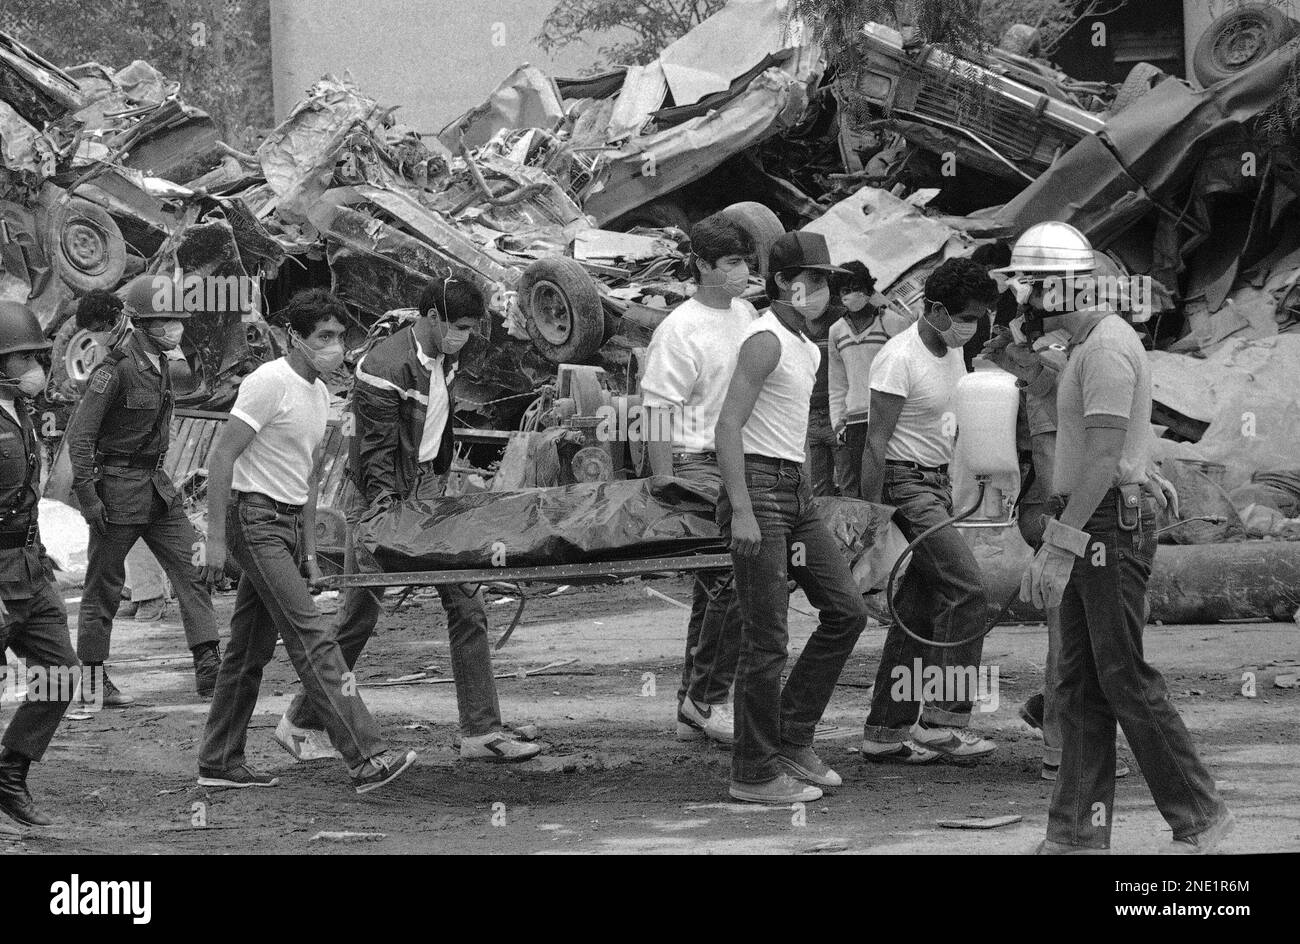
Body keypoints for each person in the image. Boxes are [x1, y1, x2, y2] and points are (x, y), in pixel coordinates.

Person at [1000, 222, 1233, 854]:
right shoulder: (1088, 347)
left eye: (1031, 287)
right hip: (1096, 517)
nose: (1024, 300)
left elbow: (1101, 459)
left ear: (1064, 286)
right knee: (1077, 683)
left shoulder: (1102, 350)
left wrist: (1059, 543)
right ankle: (1077, 835)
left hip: (1104, 524)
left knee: (1122, 674)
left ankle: (1200, 814)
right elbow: (1114, 439)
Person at [274, 278, 540, 764]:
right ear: (433, 317)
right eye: (459, 327)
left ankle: (480, 731)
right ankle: (300, 720)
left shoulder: (447, 355)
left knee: (467, 602)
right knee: (358, 616)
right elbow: (374, 455)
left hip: (429, 491)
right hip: (384, 497)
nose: (464, 337)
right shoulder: (382, 368)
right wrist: (384, 519)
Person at [197, 289, 415, 792]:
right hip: (253, 522)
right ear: (295, 337)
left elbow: (311, 475)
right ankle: (366, 757)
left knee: (248, 651)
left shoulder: (318, 394)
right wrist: (213, 539)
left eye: (340, 336)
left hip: (289, 526)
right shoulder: (267, 382)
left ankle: (218, 761)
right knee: (312, 635)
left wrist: (311, 553)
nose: (335, 346)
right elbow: (221, 459)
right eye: (324, 336)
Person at [714, 231, 868, 804]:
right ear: (781, 281)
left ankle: (792, 736)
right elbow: (728, 427)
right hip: (757, 487)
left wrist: (806, 493)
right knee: (767, 638)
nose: (822, 291)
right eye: (812, 279)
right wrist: (743, 511)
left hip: (793, 489)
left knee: (847, 611)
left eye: (826, 280)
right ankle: (752, 772)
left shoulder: (808, 345)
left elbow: (791, 430)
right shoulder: (766, 339)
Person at [859, 257, 1000, 764]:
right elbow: (875, 443)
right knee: (968, 592)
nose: (972, 326)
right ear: (935, 309)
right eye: (966, 316)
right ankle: (943, 722)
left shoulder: (953, 354)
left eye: (980, 317)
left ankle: (884, 730)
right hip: (904, 482)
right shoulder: (898, 358)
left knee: (918, 608)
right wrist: (872, 523)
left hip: (935, 484)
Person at [65, 275, 220, 705]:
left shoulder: (162, 363)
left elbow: (199, 384)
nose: (175, 328)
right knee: (104, 588)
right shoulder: (113, 369)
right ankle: (93, 681)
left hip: (157, 488)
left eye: (177, 320)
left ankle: (209, 666)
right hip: (115, 493)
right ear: (141, 322)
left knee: (195, 566)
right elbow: (80, 438)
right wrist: (88, 498)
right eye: (166, 321)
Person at [641, 213, 757, 745]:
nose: (742, 271)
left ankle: (694, 701)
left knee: (714, 588)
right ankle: (709, 699)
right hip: (694, 464)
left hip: (737, 461)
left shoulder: (747, 313)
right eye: (731, 263)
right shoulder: (679, 330)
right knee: (734, 577)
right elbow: (656, 412)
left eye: (745, 261)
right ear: (703, 266)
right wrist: (665, 485)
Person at [0, 301, 79, 828]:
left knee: (62, 674)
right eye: (20, 357)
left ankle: (9, 772)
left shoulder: (21, 413)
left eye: (35, 354)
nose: (34, 366)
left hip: (29, 566)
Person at [73, 290, 172, 623]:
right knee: (118, 533)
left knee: (135, 529)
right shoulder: (116, 353)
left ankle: (152, 595)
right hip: (119, 459)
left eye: (101, 326)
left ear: (118, 316)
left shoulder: (139, 350)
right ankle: (143, 591)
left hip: (136, 462)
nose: (98, 335)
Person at [827, 261, 893, 499]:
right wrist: (838, 422)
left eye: (856, 287)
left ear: (867, 289)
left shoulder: (888, 322)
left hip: (885, 415)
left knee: (883, 487)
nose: (851, 294)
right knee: (852, 489)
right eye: (845, 290)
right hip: (853, 421)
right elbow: (837, 383)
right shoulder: (837, 331)